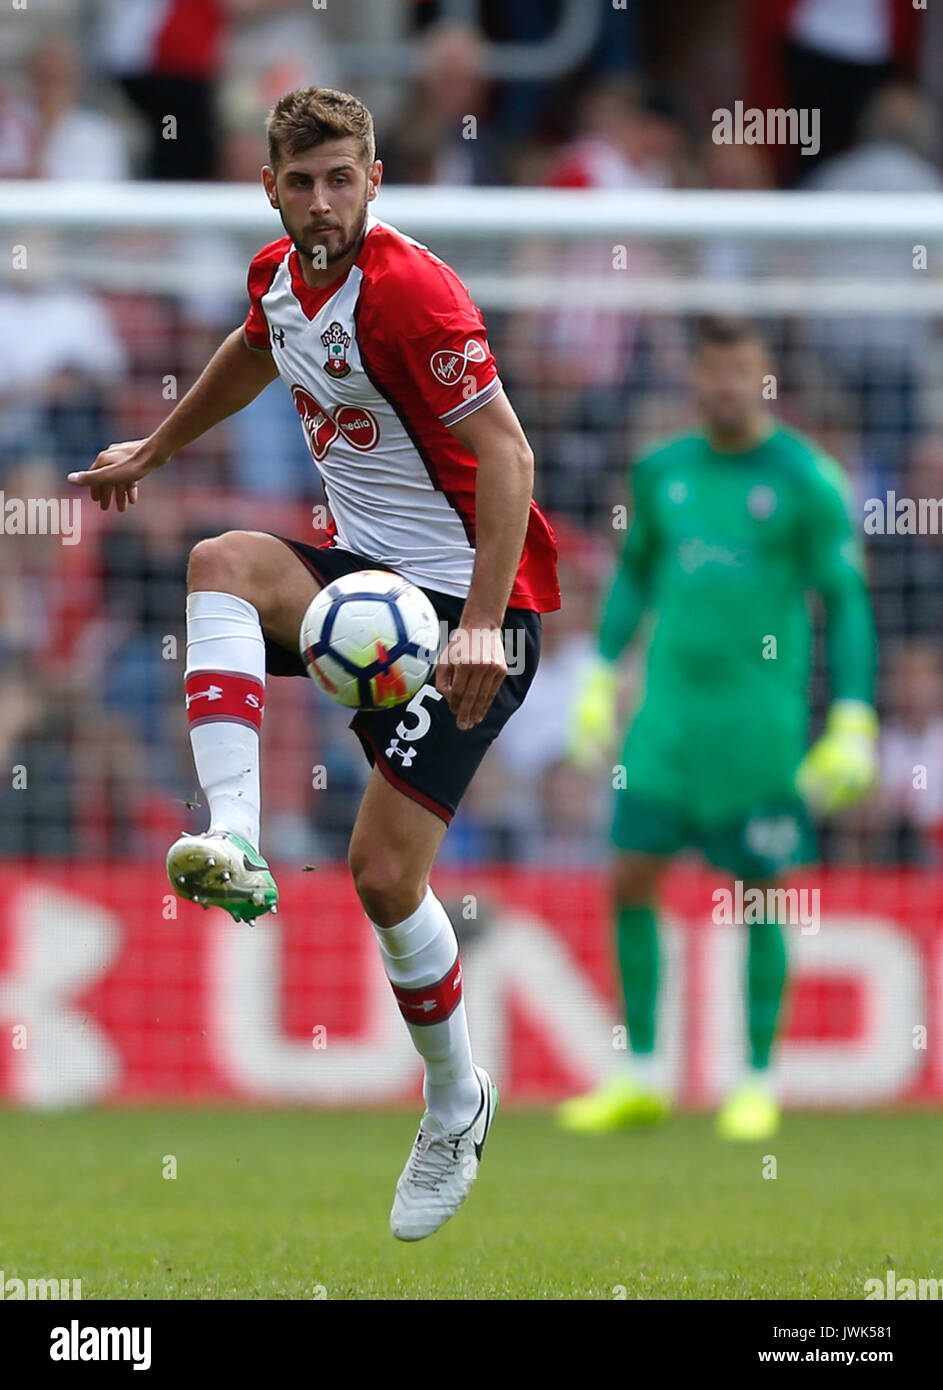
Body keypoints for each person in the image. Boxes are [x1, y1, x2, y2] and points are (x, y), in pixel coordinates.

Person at [68, 86, 559, 1241]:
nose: (324, 200)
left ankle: (454, 1102)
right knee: (224, 561)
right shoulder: (277, 279)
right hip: (362, 590)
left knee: (384, 878)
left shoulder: (412, 293)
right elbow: (252, 354)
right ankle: (233, 835)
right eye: (303, 181)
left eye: (344, 177)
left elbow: (510, 457)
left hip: (474, 615)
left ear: (375, 179)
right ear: (272, 188)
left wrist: (482, 623)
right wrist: (155, 446)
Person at [559, 318, 878, 1141]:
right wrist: (599, 672)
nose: (725, 385)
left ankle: (756, 1078)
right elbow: (633, 576)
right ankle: (640, 1074)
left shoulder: (805, 479)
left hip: (757, 729)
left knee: (757, 894)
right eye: (711, 370)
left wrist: (851, 714)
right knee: (629, 876)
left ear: (764, 375)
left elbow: (844, 600)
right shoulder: (662, 471)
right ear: (694, 378)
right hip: (665, 721)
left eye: (739, 369)